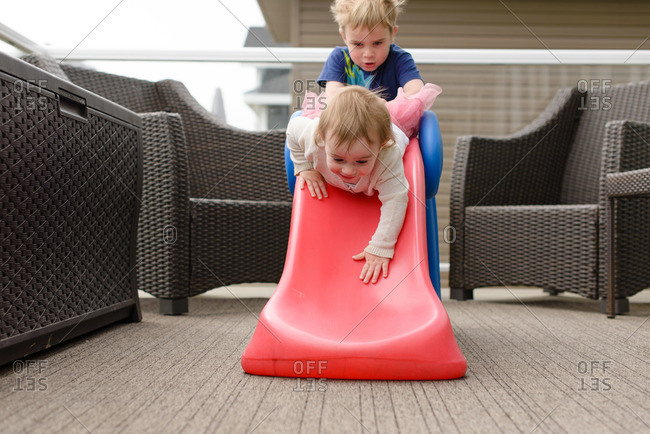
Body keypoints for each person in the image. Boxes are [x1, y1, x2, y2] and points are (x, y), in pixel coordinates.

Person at [287, 86, 410, 284]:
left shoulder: (388, 154)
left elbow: (396, 198)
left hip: (394, 134)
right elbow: (292, 129)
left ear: (380, 147)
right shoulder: (313, 136)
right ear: (322, 139)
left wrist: (381, 246)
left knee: (403, 127)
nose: (348, 171)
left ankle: (388, 110)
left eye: (361, 161)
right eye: (338, 159)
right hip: (332, 131)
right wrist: (304, 166)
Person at [317, 0, 423, 101]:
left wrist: (390, 107)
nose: (368, 54)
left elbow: (416, 91)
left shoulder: (400, 59)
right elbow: (333, 97)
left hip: (390, 119)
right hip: (349, 119)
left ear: (392, 34)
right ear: (344, 37)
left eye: (377, 43)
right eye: (358, 44)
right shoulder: (339, 58)